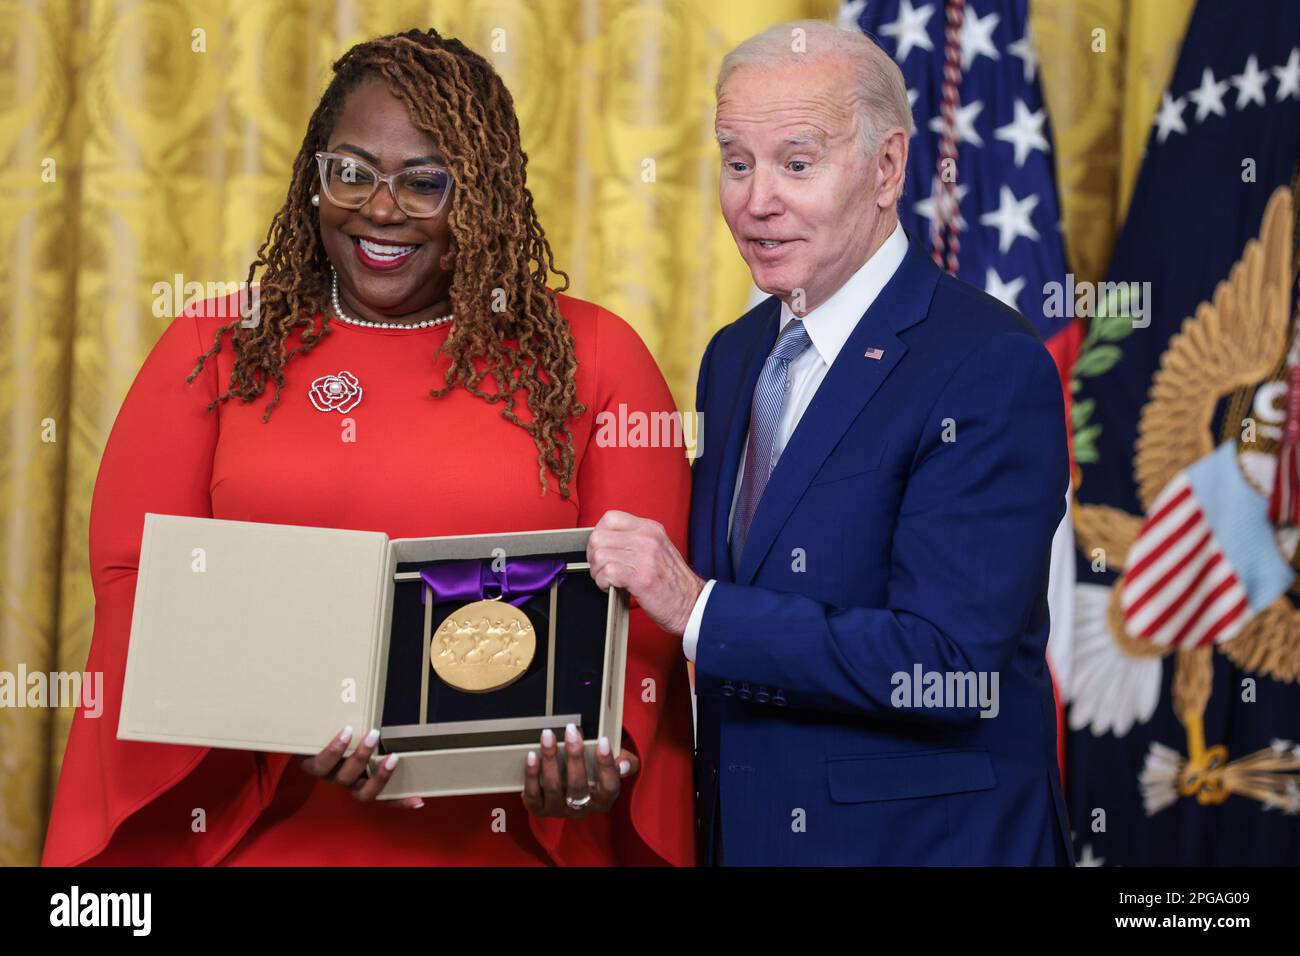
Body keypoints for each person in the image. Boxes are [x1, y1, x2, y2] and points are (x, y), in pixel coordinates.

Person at [42, 28, 695, 867]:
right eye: (350, 172)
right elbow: (136, 578)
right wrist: (269, 719)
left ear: (485, 194)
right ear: (315, 176)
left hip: (501, 842)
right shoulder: (217, 346)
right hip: (265, 833)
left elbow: (647, 612)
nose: (380, 209)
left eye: (426, 183)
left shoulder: (594, 358)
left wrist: (601, 761)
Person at [586, 21, 1074, 865]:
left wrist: (698, 607)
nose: (757, 199)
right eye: (737, 163)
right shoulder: (734, 356)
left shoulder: (989, 363)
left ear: (887, 168)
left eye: (796, 163)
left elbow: (950, 663)